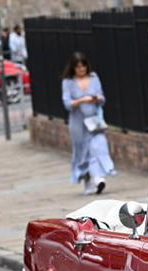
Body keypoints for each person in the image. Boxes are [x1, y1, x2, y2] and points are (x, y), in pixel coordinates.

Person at [61, 52, 115, 195]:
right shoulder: (68, 82)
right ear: (73, 68)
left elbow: (102, 97)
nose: (81, 69)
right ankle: (87, 182)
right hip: (78, 123)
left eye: (83, 66)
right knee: (82, 153)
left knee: (98, 147)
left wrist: (97, 98)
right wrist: (82, 100)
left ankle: (98, 178)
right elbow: (67, 103)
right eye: (78, 67)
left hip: (94, 121)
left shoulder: (94, 78)